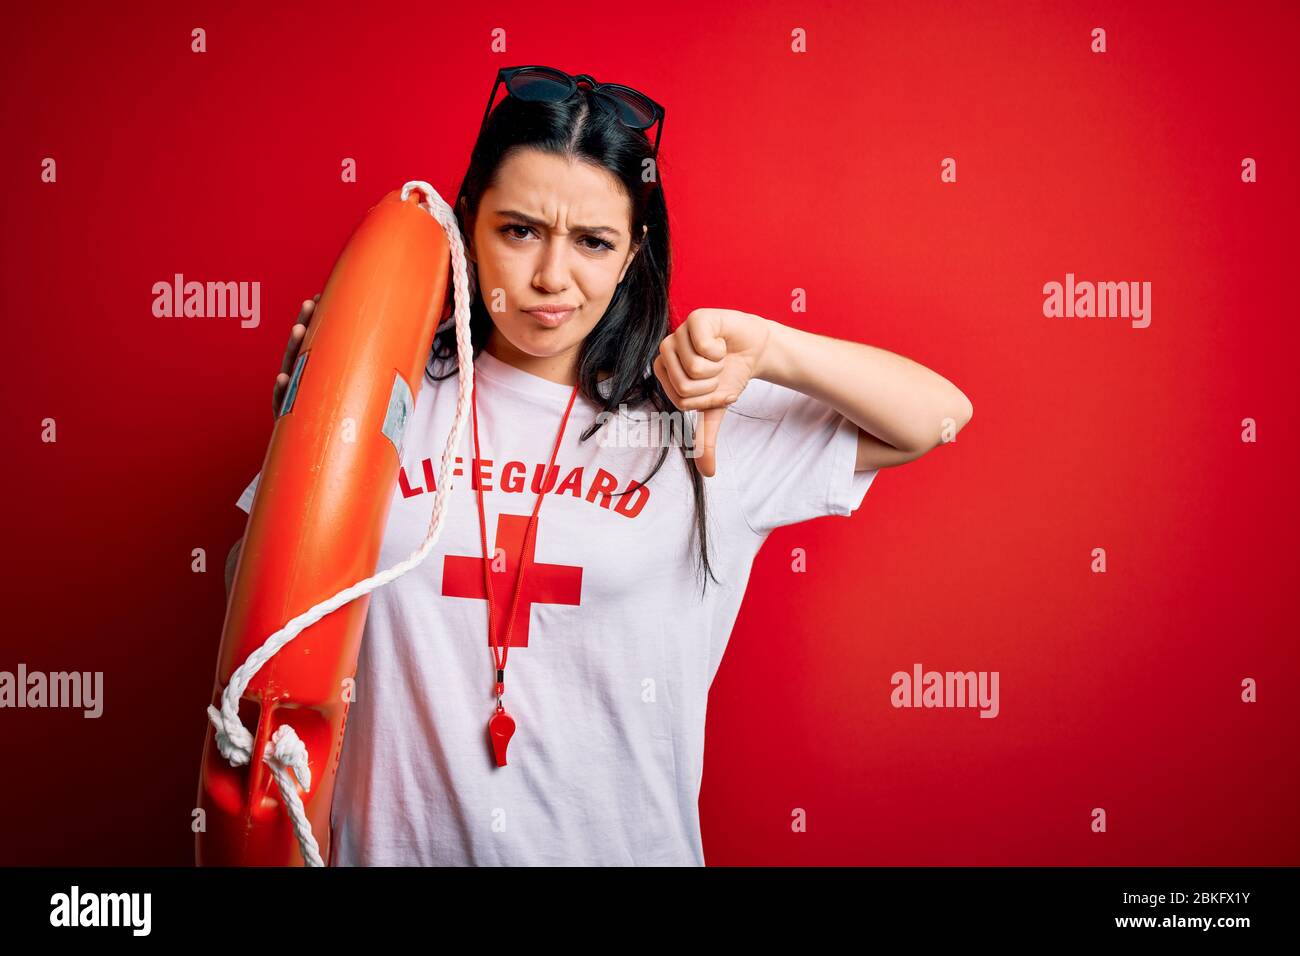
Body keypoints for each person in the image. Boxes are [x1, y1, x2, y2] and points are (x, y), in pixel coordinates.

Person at [226, 65, 973, 866]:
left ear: (630, 256)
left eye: (592, 242)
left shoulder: (694, 419)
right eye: (519, 231)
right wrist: (316, 417)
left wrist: (775, 350)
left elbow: (938, 416)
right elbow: (262, 616)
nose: (552, 278)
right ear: (468, 224)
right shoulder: (388, 399)